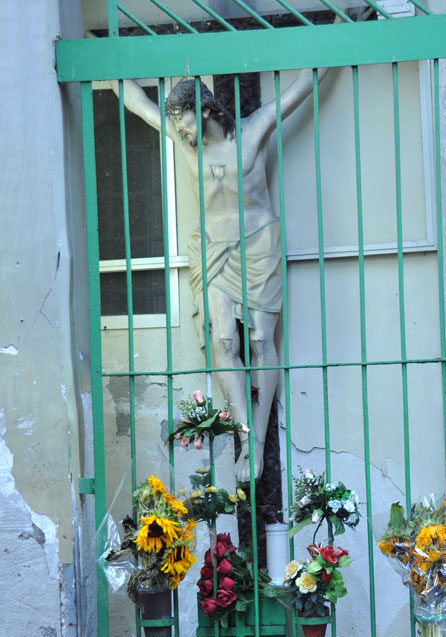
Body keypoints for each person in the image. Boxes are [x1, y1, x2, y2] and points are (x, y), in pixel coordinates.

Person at [109, 64, 331, 482]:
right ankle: (245, 434)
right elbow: (138, 104)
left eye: (186, 122)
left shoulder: (254, 129)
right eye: (177, 125)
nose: (183, 133)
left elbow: (303, 85)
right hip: (212, 249)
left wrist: (341, 36)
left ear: (206, 110)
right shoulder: (182, 138)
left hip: (259, 243)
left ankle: (259, 441)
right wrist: (108, 68)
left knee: (262, 339)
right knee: (223, 340)